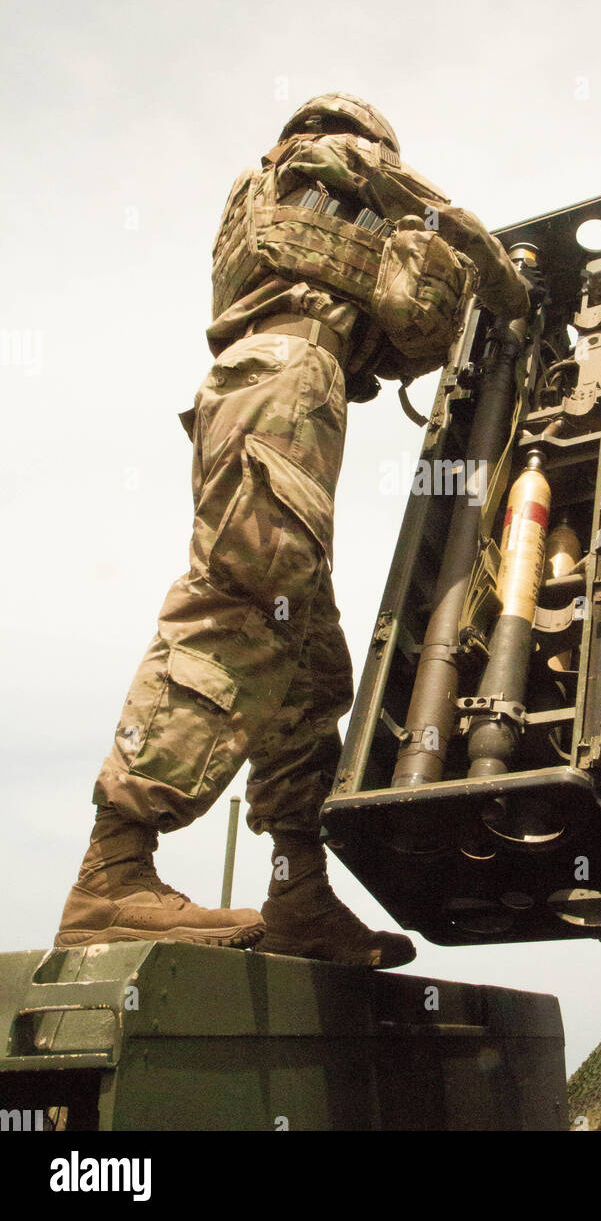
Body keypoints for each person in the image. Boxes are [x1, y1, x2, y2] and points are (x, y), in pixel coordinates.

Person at [56, 93, 529, 969]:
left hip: (274, 391)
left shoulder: (287, 205)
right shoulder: (332, 166)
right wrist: (506, 280)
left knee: (309, 668)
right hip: (282, 385)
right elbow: (432, 271)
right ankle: (114, 870)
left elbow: (392, 334)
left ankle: (297, 896)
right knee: (245, 598)